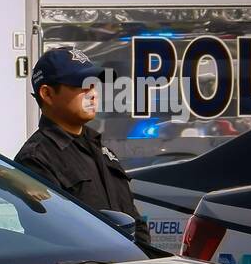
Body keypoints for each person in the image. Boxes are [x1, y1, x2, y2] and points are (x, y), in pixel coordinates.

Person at [14, 46, 152, 245]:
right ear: (48, 94)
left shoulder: (101, 150)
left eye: (94, 85)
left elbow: (134, 222)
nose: (93, 94)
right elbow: (53, 235)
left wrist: (143, 262)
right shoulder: (35, 159)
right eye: (82, 85)